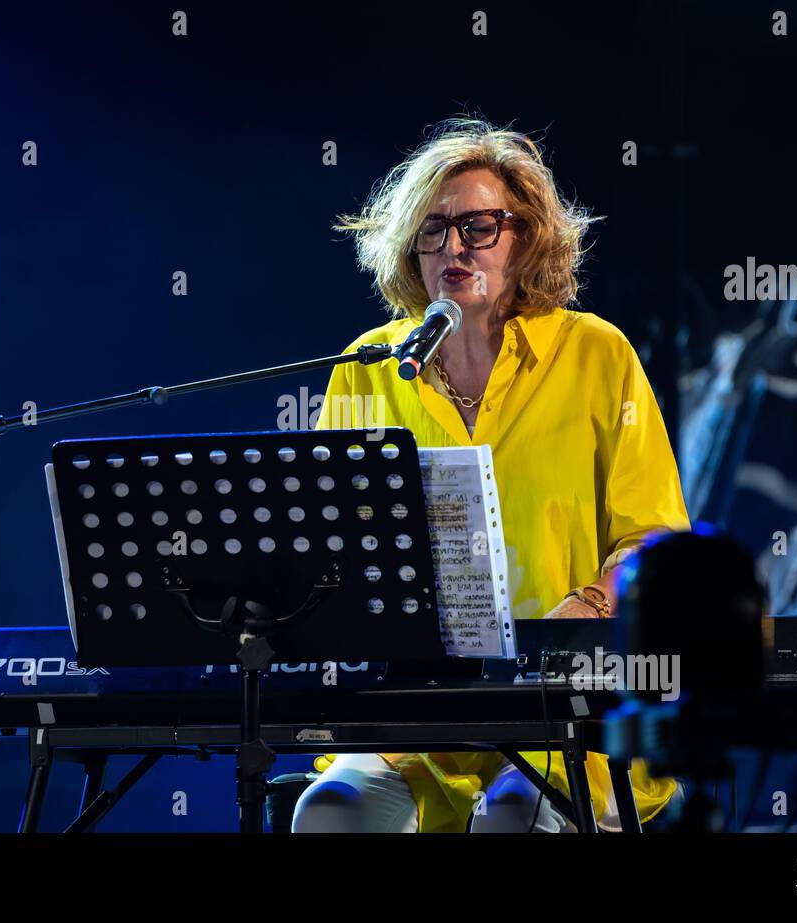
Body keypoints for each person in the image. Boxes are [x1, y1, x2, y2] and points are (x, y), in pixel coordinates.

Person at [292, 117, 690, 833]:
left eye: (479, 226)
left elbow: (658, 537)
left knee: (515, 810)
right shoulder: (368, 367)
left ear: (525, 236)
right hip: (416, 708)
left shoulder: (598, 354)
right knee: (329, 810)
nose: (454, 246)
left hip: (565, 704)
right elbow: (333, 549)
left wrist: (595, 602)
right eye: (434, 228)